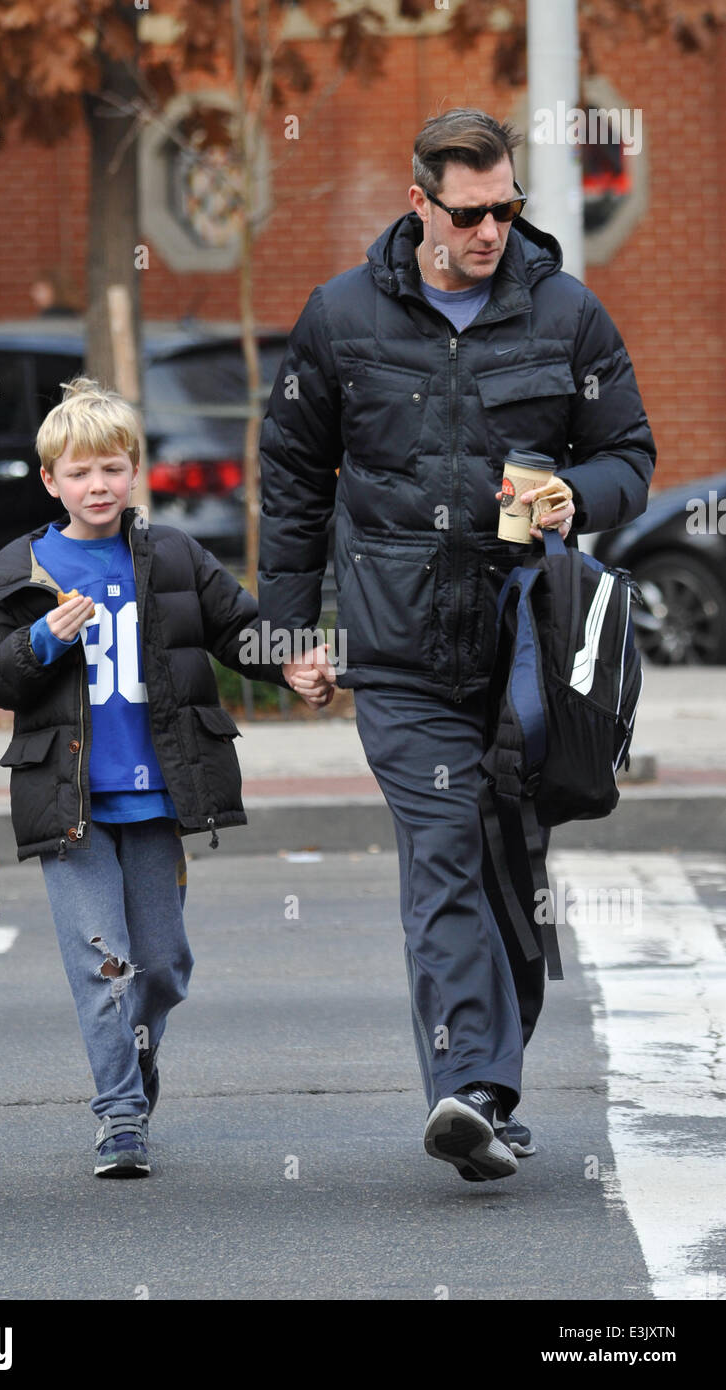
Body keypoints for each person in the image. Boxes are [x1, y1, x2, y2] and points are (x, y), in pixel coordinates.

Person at [259, 108, 656, 1182]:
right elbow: (293, 478)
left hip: (525, 646)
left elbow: (629, 452)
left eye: (506, 208)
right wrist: (289, 628)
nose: (491, 230)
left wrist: (583, 493)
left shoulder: (565, 314)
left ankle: (488, 1078)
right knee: (441, 856)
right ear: (418, 199)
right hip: (397, 648)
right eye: (470, 211)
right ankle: (470, 1086)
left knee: (507, 864)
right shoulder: (339, 318)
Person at [0, 377, 323, 1178]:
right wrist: (41, 642)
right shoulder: (19, 568)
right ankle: (120, 1115)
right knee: (103, 961)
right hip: (70, 799)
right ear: (51, 480)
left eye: (113, 469)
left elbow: (236, 630)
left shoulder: (174, 556)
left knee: (159, 966)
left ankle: (136, 1055)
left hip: (162, 794)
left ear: (136, 474)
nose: (99, 486)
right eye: (80, 473)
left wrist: (290, 663)